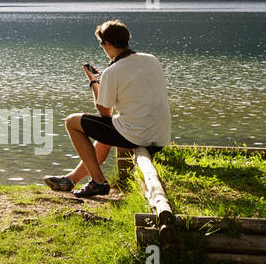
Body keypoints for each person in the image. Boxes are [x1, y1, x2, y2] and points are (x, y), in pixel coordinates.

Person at [44, 19, 171, 198]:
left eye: (101, 44)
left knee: (72, 122)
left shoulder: (113, 72)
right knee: (110, 129)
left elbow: (105, 113)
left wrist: (94, 81)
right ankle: (71, 179)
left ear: (107, 44)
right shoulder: (151, 60)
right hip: (160, 135)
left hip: (138, 135)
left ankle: (98, 182)